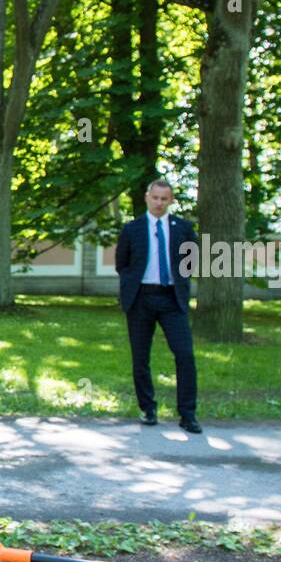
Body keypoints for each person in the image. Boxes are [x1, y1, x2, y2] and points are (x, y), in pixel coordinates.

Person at [114, 178, 202, 434]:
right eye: (155, 198)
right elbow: (122, 264)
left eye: (164, 199)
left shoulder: (183, 228)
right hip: (140, 298)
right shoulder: (133, 228)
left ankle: (188, 414)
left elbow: (190, 261)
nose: (159, 203)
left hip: (171, 299)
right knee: (141, 357)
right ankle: (148, 409)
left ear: (171, 201)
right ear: (147, 197)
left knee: (185, 355)